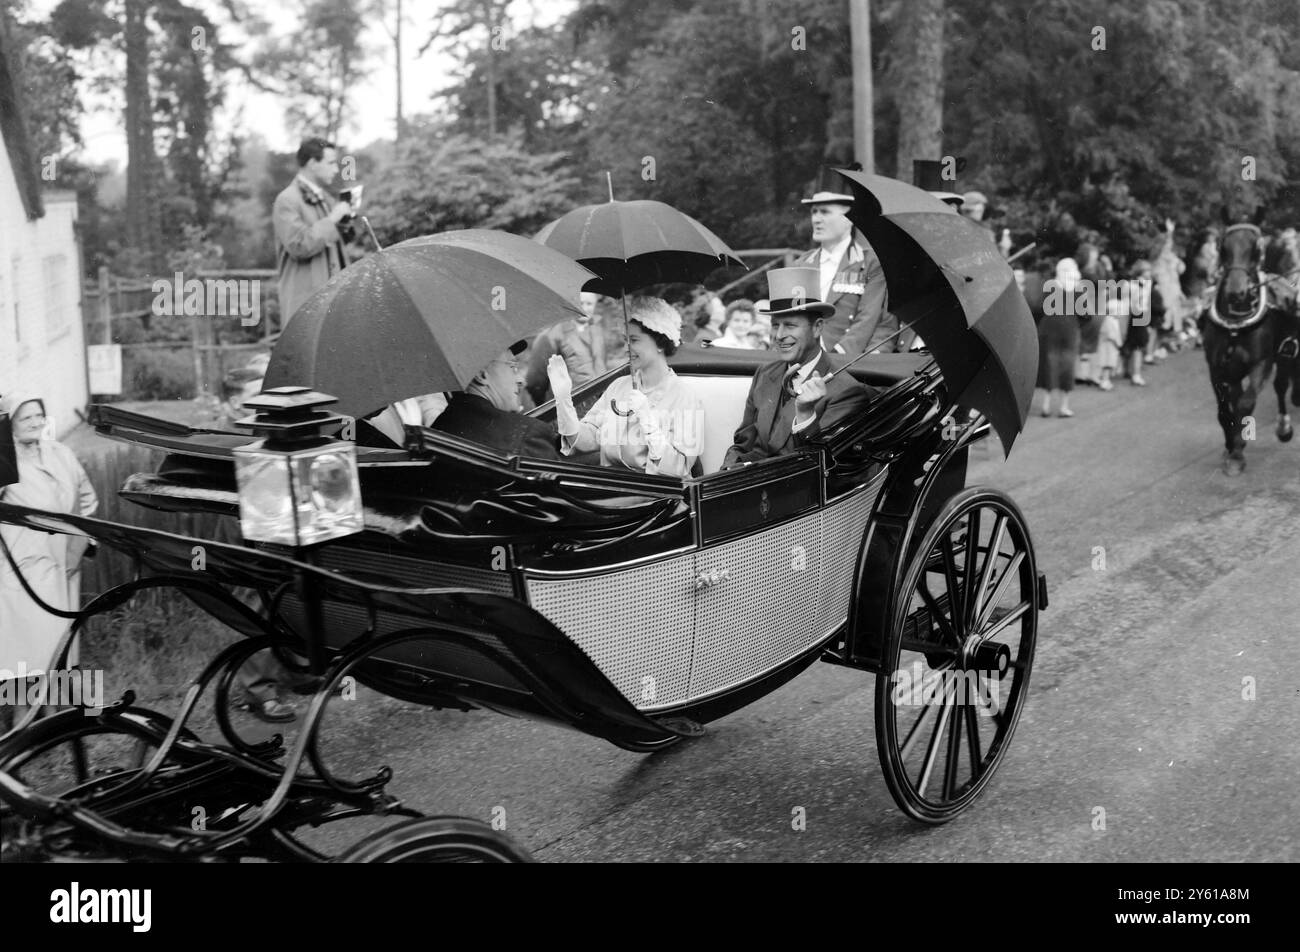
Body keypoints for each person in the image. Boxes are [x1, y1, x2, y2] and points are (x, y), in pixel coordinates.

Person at [0, 394, 97, 728]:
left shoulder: (61, 453)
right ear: (10, 424)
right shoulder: (4, 460)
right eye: (25, 418)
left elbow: (87, 498)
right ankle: (20, 722)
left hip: (64, 564)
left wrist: (81, 543)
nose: (34, 422)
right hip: (21, 563)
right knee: (23, 644)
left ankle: (62, 716)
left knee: (60, 640)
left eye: (38, 415)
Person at [722, 267, 873, 468]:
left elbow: (821, 466)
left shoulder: (846, 391)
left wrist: (805, 414)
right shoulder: (765, 373)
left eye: (790, 325)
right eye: (775, 325)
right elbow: (743, 444)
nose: (779, 335)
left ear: (818, 327)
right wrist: (725, 474)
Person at [547, 297, 703, 478]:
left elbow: (680, 468)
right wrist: (563, 399)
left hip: (660, 494)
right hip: (613, 487)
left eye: (634, 340)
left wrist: (647, 419)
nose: (626, 348)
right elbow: (587, 440)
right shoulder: (619, 387)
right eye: (625, 340)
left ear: (660, 342)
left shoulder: (685, 397)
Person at [795, 191, 891, 356]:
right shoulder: (800, 264)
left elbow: (868, 317)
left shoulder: (870, 263)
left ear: (848, 219)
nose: (816, 219)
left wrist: (838, 354)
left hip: (844, 360)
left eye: (824, 212)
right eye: (814, 212)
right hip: (803, 358)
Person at [272, 137, 354, 327]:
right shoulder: (287, 200)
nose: (336, 170)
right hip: (305, 303)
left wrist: (346, 221)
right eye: (331, 163)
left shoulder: (325, 198)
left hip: (331, 299)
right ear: (312, 163)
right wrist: (333, 219)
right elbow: (298, 245)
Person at [433, 342, 561, 460]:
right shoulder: (528, 436)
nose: (521, 379)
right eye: (512, 367)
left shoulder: (434, 433)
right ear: (481, 374)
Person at [524, 292, 607, 406]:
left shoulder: (596, 330)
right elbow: (535, 382)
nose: (585, 308)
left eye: (589, 304)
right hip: (572, 407)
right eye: (581, 303)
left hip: (599, 404)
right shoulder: (551, 336)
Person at [1036, 258, 1082, 417]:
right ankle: (1063, 407)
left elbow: (1041, 307)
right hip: (1069, 329)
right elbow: (1085, 313)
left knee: (1050, 365)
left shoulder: (1050, 286)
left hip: (1048, 329)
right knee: (1067, 367)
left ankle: (1046, 405)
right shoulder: (1076, 289)